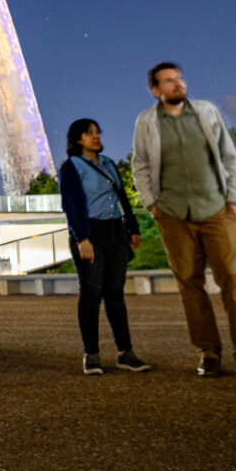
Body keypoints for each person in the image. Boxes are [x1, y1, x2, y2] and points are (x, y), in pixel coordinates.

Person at [130, 64, 236, 380]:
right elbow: (140, 164)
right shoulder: (146, 122)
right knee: (190, 286)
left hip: (215, 211)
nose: (177, 84)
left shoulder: (206, 111)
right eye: (168, 81)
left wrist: (234, 200)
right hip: (173, 214)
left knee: (233, 282)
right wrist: (152, 205)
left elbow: (229, 155)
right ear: (155, 90)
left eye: (179, 78)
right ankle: (208, 352)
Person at [58, 119, 150, 375]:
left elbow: (121, 197)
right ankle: (91, 354)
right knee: (91, 294)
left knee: (115, 295)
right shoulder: (71, 167)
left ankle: (125, 352)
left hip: (115, 233)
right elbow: (71, 205)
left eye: (97, 132)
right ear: (78, 139)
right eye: (90, 133)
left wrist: (132, 228)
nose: (96, 137)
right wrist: (82, 239)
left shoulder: (108, 164)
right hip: (90, 233)